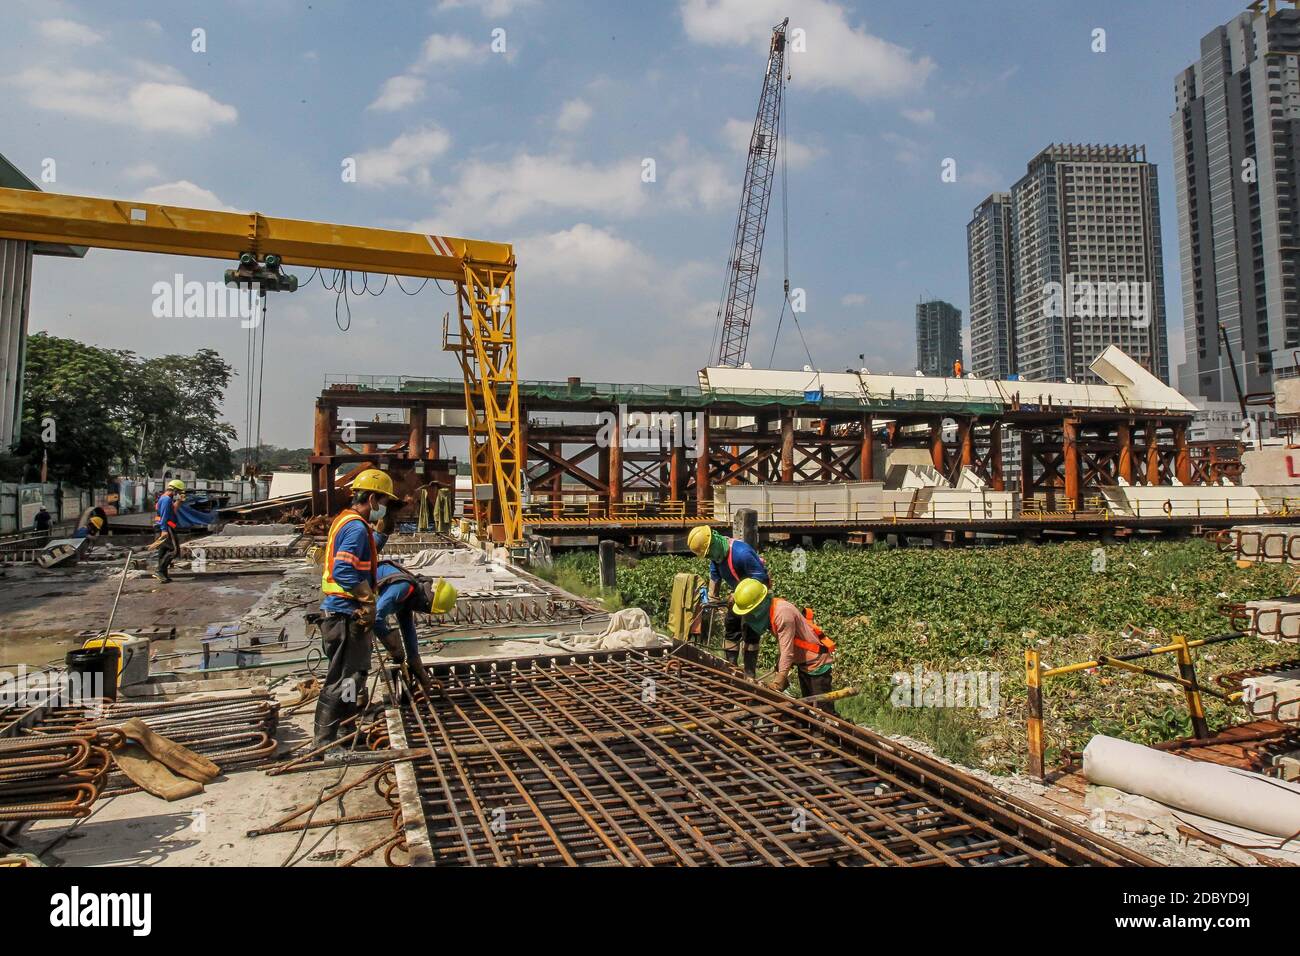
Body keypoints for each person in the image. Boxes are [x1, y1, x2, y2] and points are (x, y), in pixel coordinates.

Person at [313, 469, 401, 749]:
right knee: (343, 679)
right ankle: (324, 743)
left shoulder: (348, 522)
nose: (384, 508)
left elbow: (362, 552)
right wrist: (367, 600)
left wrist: (382, 535)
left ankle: (344, 730)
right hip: (345, 613)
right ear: (372, 499)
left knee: (355, 675)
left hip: (345, 613)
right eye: (383, 502)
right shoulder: (355, 527)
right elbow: (343, 570)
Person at [731, 578, 837, 713]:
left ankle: (836, 732)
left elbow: (788, 651)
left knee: (823, 712)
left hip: (816, 664)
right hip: (804, 663)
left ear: (759, 606)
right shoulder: (773, 611)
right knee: (812, 708)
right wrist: (779, 667)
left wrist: (779, 680)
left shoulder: (782, 614)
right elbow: (786, 646)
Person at [687, 525, 770, 677]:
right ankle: (732, 669)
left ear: (714, 543)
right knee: (731, 627)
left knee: (751, 633)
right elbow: (715, 576)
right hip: (737, 598)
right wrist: (712, 597)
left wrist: (736, 593)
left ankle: (749, 673)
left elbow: (761, 578)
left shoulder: (741, 553)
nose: (709, 557)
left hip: (755, 596)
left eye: (708, 553)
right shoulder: (717, 556)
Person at [151, 480, 185, 582]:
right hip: (167, 528)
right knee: (174, 551)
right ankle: (160, 571)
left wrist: (179, 501)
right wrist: (164, 530)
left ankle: (163, 575)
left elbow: (173, 510)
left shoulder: (165, 498)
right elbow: (165, 515)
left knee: (163, 551)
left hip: (164, 526)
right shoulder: (166, 500)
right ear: (174, 490)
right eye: (178, 491)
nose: (179, 494)